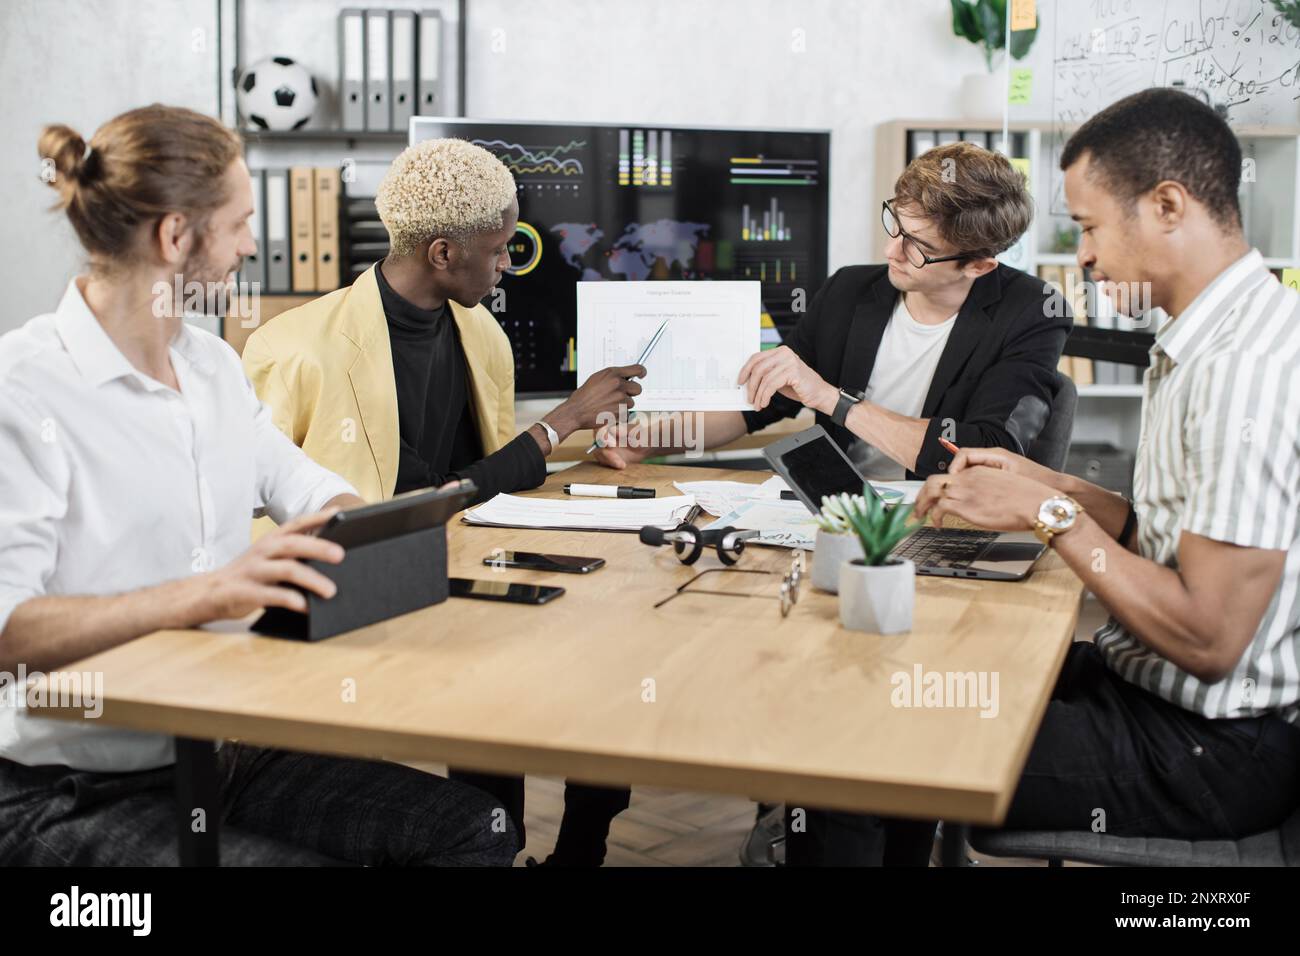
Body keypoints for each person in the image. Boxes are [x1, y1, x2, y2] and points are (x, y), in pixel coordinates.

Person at [790, 87, 1300, 866]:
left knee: (856, 732)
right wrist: (1050, 484)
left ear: (1167, 205)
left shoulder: (1242, 373)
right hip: (1149, 689)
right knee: (903, 668)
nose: (1085, 255)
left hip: (1206, 748)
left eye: (1090, 227)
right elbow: (1165, 533)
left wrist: (1047, 515)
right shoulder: (1214, 339)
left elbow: (1207, 637)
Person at [0, 105, 516, 866]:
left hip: (225, 747)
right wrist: (206, 594)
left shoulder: (209, 369)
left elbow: (312, 489)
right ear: (176, 237)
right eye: (240, 224)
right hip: (66, 784)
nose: (251, 245)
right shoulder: (25, 389)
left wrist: (361, 528)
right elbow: (8, 630)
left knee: (476, 828)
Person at [242, 138, 638, 865]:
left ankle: (577, 847)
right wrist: (563, 420)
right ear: (445, 253)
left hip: (463, 570)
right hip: (360, 598)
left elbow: (476, 476)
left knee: (611, 660)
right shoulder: (293, 347)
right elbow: (260, 514)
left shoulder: (481, 331)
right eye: (500, 250)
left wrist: (574, 444)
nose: (508, 266)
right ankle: (496, 840)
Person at [596, 141, 1070, 482]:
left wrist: (831, 399)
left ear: (979, 265)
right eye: (895, 227)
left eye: (918, 247)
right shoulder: (851, 289)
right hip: (834, 509)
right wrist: (647, 441)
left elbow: (984, 451)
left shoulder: (1031, 312)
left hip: (948, 516)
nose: (891, 251)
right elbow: (762, 404)